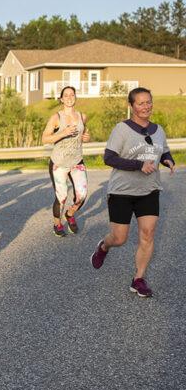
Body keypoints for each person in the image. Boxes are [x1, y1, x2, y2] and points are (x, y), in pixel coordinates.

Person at [91, 87, 175, 298]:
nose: (146, 106)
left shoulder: (159, 130)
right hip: (122, 192)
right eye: (140, 103)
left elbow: (163, 149)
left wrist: (168, 160)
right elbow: (109, 158)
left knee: (148, 234)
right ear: (131, 106)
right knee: (119, 239)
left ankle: (138, 279)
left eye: (149, 102)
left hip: (149, 190)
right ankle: (103, 246)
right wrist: (138, 165)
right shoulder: (122, 129)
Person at [41, 86, 90, 237]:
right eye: (66, 95)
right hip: (59, 163)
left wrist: (86, 138)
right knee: (62, 197)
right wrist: (63, 133)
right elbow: (44, 139)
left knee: (82, 195)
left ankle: (69, 214)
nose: (69, 97)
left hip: (76, 161)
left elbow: (84, 133)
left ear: (75, 97)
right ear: (61, 99)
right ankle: (57, 224)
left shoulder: (82, 116)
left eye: (72, 94)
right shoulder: (56, 117)